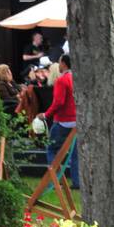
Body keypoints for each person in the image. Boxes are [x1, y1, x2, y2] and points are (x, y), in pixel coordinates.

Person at [45, 54, 79, 188]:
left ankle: (54, 180)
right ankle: (77, 182)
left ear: (64, 63)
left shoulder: (62, 80)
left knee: (51, 148)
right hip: (77, 121)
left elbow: (58, 102)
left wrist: (46, 114)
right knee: (76, 153)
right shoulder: (77, 79)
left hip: (63, 121)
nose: (58, 65)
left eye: (59, 62)